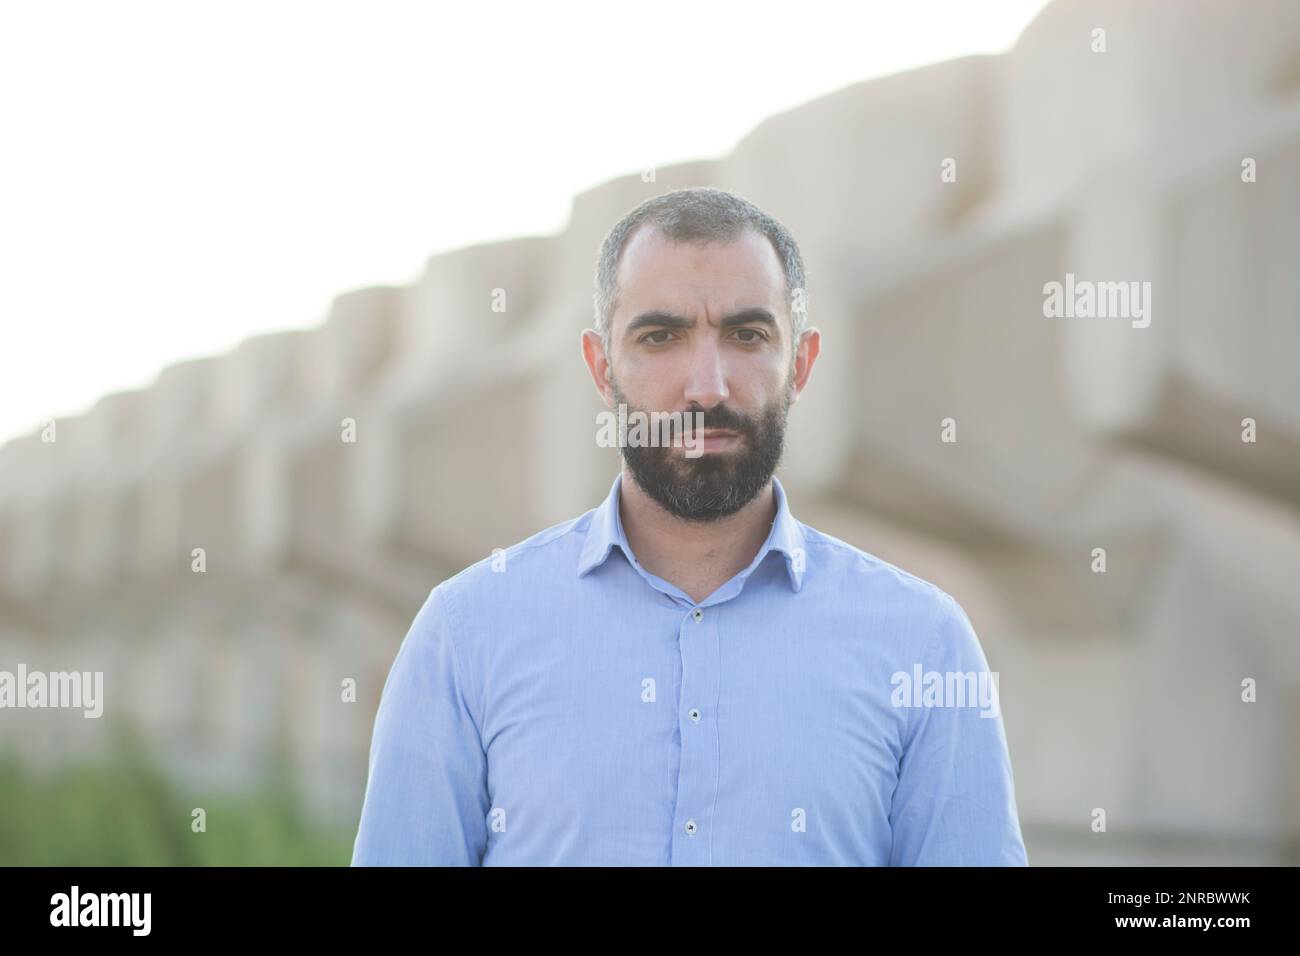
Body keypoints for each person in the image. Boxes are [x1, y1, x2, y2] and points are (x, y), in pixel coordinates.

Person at [351, 186, 1028, 866]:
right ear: (600, 365)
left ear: (800, 363)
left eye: (747, 334)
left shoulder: (923, 644)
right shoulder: (465, 635)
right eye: (660, 337)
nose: (706, 386)